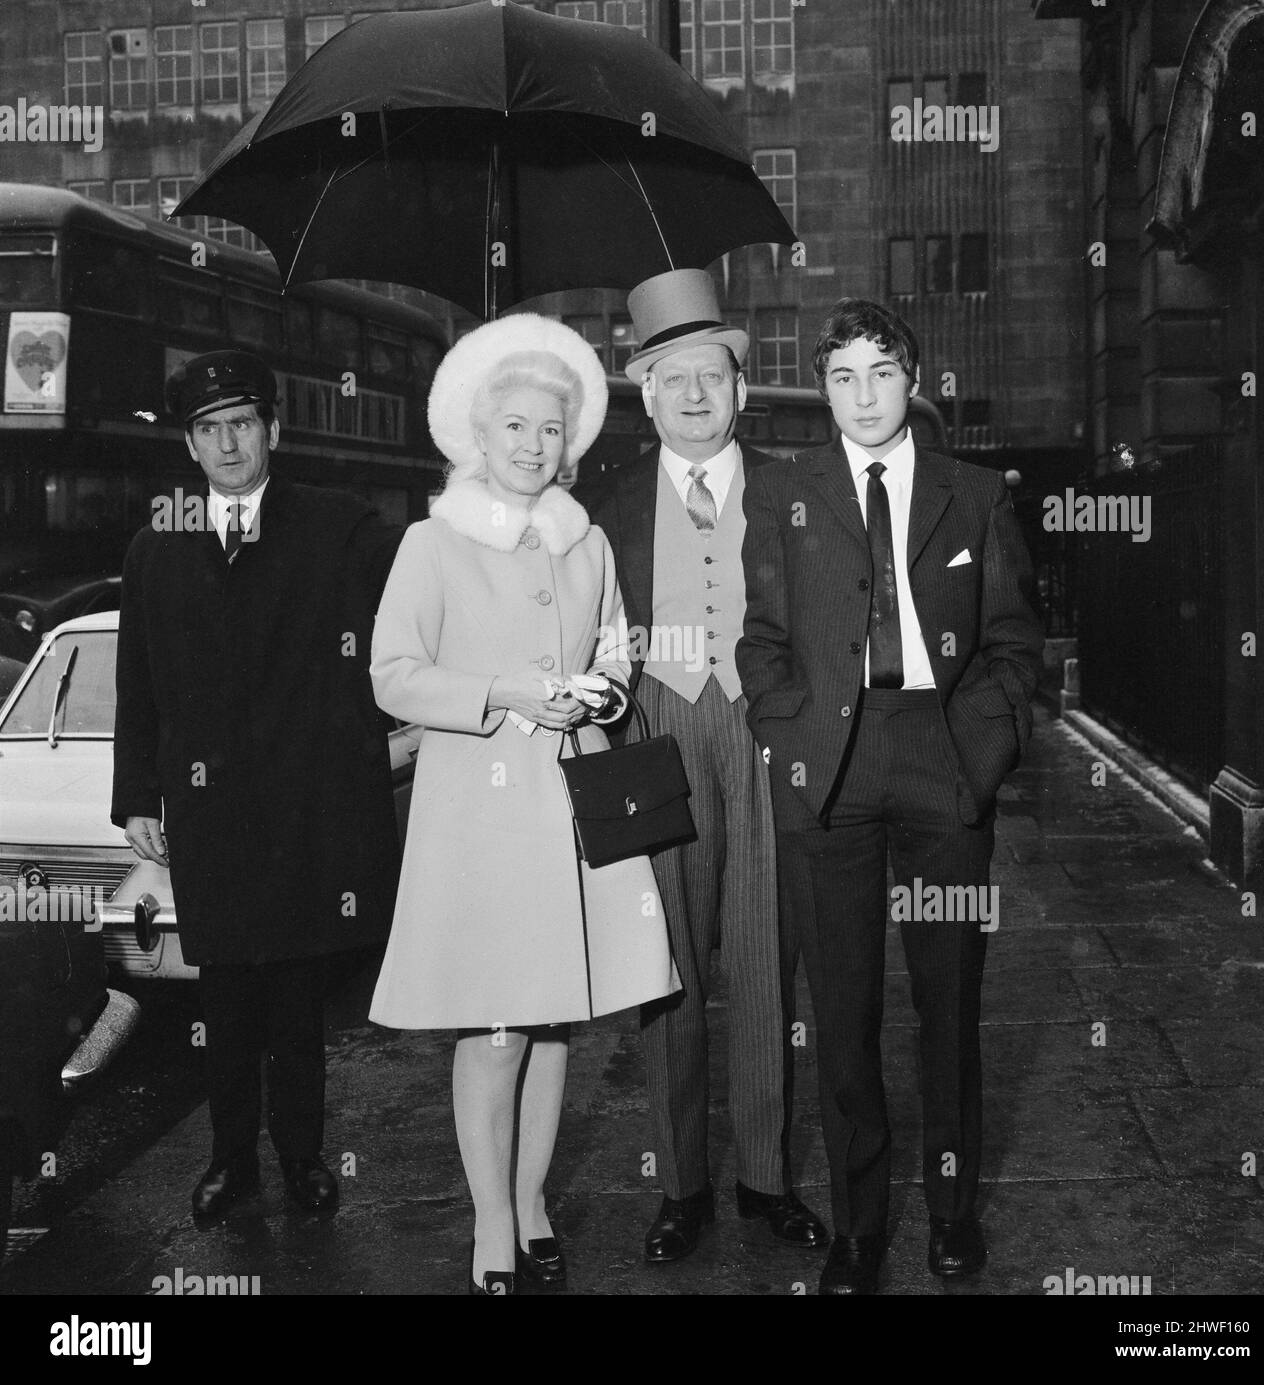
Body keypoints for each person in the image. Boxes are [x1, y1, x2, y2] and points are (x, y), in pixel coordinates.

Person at [367, 314, 680, 1296]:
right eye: (515, 427)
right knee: (495, 1026)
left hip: (569, 810)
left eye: (551, 429)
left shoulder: (584, 545)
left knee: (554, 1022)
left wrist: (601, 690)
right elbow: (392, 676)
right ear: (476, 432)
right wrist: (504, 691)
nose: (534, 446)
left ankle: (534, 1197)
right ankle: (490, 1224)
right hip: (478, 818)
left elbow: (617, 655)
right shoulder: (431, 541)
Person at [737, 298, 1043, 1293]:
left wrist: (978, 758)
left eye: (879, 371)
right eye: (840, 376)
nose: (862, 395)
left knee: (949, 1002)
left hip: (939, 761)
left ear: (913, 377)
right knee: (842, 1008)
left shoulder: (974, 492)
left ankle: (950, 1212)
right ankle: (859, 1225)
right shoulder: (782, 492)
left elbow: (1012, 643)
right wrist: (789, 742)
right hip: (829, 771)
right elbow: (763, 644)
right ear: (821, 389)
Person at [112, 349, 402, 1223]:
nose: (228, 443)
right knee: (224, 995)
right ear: (191, 447)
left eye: (243, 423)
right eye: (209, 429)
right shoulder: (155, 544)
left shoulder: (337, 525)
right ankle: (230, 1160)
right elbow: (138, 684)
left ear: (273, 430)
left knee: (295, 1000)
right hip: (210, 814)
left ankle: (304, 1158)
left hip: (304, 807)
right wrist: (135, 797)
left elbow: (417, 591)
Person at [577, 269, 827, 1263]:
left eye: (711, 374)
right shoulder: (601, 502)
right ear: (643, 390)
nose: (693, 395)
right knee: (665, 966)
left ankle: (765, 1176)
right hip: (654, 731)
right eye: (672, 376)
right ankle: (678, 1185)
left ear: (740, 383)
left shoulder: (794, 489)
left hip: (761, 732)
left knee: (767, 958)